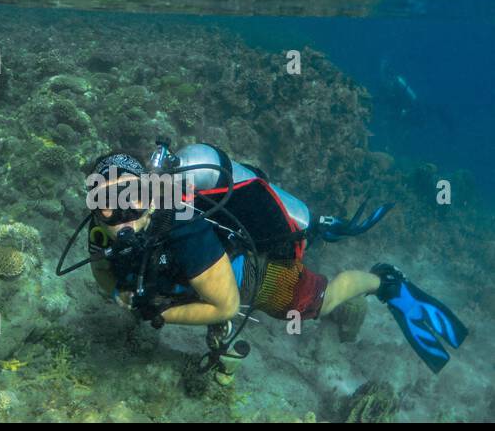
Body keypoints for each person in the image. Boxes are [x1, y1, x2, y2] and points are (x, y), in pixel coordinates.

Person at [63, 145, 468, 380]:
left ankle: (385, 282)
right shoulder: (102, 231)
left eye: (131, 195)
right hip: (196, 280)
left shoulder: (185, 229)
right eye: (105, 202)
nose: (122, 214)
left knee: (316, 304)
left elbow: (225, 305)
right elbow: (104, 275)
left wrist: (158, 314)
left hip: (259, 277)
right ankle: (323, 228)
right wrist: (121, 292)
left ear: (151, 191)